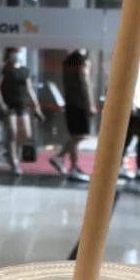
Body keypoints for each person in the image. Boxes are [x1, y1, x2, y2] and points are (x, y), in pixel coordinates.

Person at [50, 49, 95, 183]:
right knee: (79, 136)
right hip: (80, 104)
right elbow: (85, 83)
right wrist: (90, 104)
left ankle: (71, 165)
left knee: (76, 136)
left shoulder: (68, 64)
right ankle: (63, 159)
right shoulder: (80, 64)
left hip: (71, 104)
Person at [0, 47, 40, 177]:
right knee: (12, 132)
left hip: (22, 104)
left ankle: (11, 151)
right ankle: (14, 162)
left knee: (26, 133)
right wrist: (2, 104)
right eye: (14, 52)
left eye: (18, 52)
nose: (16, 55)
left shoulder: (24, 70)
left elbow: (29, 88)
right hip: (8, 105)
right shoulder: (4, 69)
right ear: (9, 53)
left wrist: (36, 105)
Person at [122, 56, 140, 181]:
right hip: (136, 106)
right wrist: (132, 103)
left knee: (128, 137)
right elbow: (130, 83)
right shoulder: (135, 63)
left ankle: (120, 165)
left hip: (138, 104)